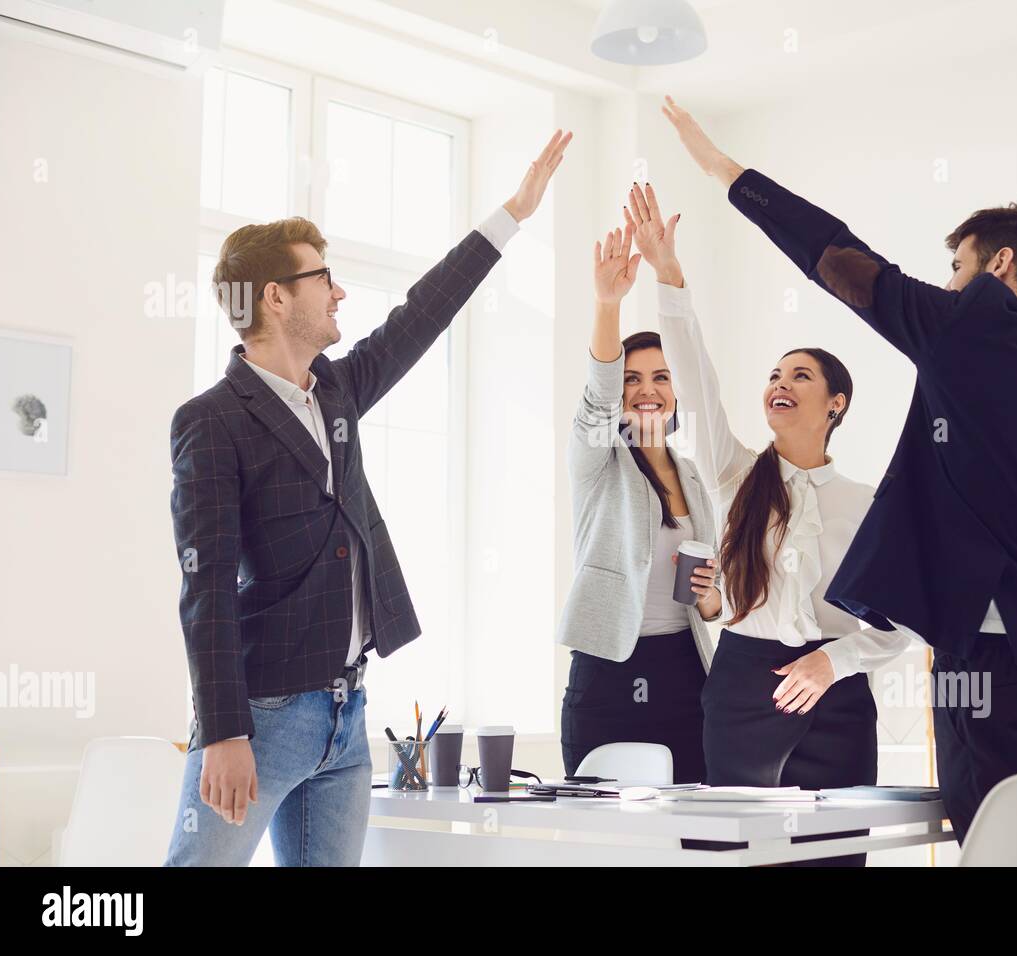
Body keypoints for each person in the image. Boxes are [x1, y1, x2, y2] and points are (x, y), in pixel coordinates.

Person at [661, 95, 1017, 843]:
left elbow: (834, 256)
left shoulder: (961, 329)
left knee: (994, 850)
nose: (945, 284)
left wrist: (722, 169)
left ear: (998, 265)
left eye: (957, 266)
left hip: (985, 666)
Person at [164, 131, 572, 866]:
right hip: (261, 717)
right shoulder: (211, 420)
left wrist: (512, 213)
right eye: (325, 277)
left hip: (346, 716)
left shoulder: (340, 389)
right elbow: (206, 586)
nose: (341, 290)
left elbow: (422, 314)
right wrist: (221, 731)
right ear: (276, 296)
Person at [628, 182, 907, 866]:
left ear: (836, 404)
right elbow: (694, 377)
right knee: (741, 856)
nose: (780, 381)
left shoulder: (869, 504)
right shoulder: (732, 472)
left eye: (802, 375)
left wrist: (833, 660)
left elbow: (902, 623)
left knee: (833, 859)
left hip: (836, 695)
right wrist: (669, 276)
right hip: (742, 688)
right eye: (775, 373)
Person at [556, 221, 721, 787]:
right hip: (606, 670)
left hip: (686, 673)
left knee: (687, 835)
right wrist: (608, 304)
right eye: (631, 379)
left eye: (659, 377)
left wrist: (711, 598)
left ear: (676, 391)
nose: (646, 389)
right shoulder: (598, 458)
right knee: (603, 836)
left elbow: (713, 601)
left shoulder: (693, 475)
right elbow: (595, 398)